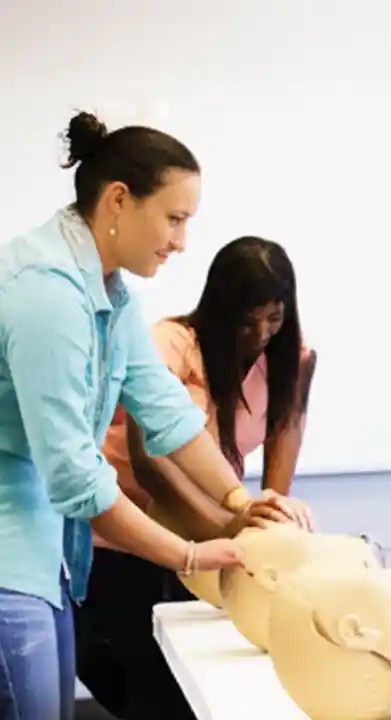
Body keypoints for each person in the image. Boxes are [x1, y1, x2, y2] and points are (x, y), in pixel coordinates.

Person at [0, 112, 297, 719]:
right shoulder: (46, 293)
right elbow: (76, 476)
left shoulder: (107, 290)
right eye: (174, 218)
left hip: (42, 549)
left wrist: (239, 502)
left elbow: (164, 410)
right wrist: (188, 554)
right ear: (118, 201)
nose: (182, 241)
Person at [76, 237, 317, 719]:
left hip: (211, 534)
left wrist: (268, 524)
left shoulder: (293, 358)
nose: (261, 334)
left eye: (274, 317)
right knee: (148, 687)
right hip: (127, 534)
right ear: (220, 309)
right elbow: (154, 464)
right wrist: (228, 526)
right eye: (247, 321)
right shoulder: (170, 346)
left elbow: (280, 452)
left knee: (207, 682)